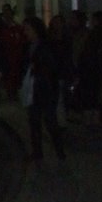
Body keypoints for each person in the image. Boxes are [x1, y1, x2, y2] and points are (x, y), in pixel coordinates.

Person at [21, 16, 66, 160]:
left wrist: (38, 68)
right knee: (34, 122)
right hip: (33, 89)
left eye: (27, 29)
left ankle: (59, 151)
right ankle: (37, 152)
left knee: (50, 122)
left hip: (46, 89)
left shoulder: (47, 45)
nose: (25, 32)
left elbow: (53, 67)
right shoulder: (28, 46)